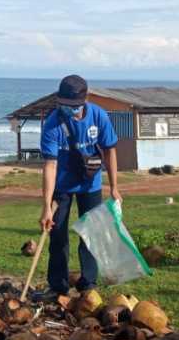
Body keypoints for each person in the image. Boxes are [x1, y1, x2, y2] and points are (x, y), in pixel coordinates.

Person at [36, 75, 120, 301]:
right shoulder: (53, 123)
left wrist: (114, 186)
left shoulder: (98, 116)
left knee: (90, 234)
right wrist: (46, 206)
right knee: (58, 235)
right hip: (61, 186)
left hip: (90, 183)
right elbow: (50, 165)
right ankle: (58, 286)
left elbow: (110, 149)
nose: (69, 110)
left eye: (73, 106)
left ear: (86, 99)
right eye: (64, 104)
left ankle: (88, 283)